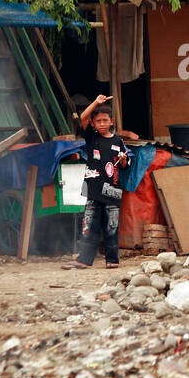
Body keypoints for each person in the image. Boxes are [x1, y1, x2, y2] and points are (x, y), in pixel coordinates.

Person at [63, 95, 131, 270]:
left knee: (111, 227)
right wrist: (96, 102)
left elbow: (124, 165)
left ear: (111, 121)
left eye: (104, 120)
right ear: (93, 123)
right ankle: (83, 260)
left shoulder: (118, 141)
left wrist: (123, 159)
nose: (101, 123)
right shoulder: (91, 138)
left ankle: (112, 260)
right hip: (93, 190)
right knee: (88, 226)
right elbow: (82, 117)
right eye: (98, 121)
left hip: (113, 191)